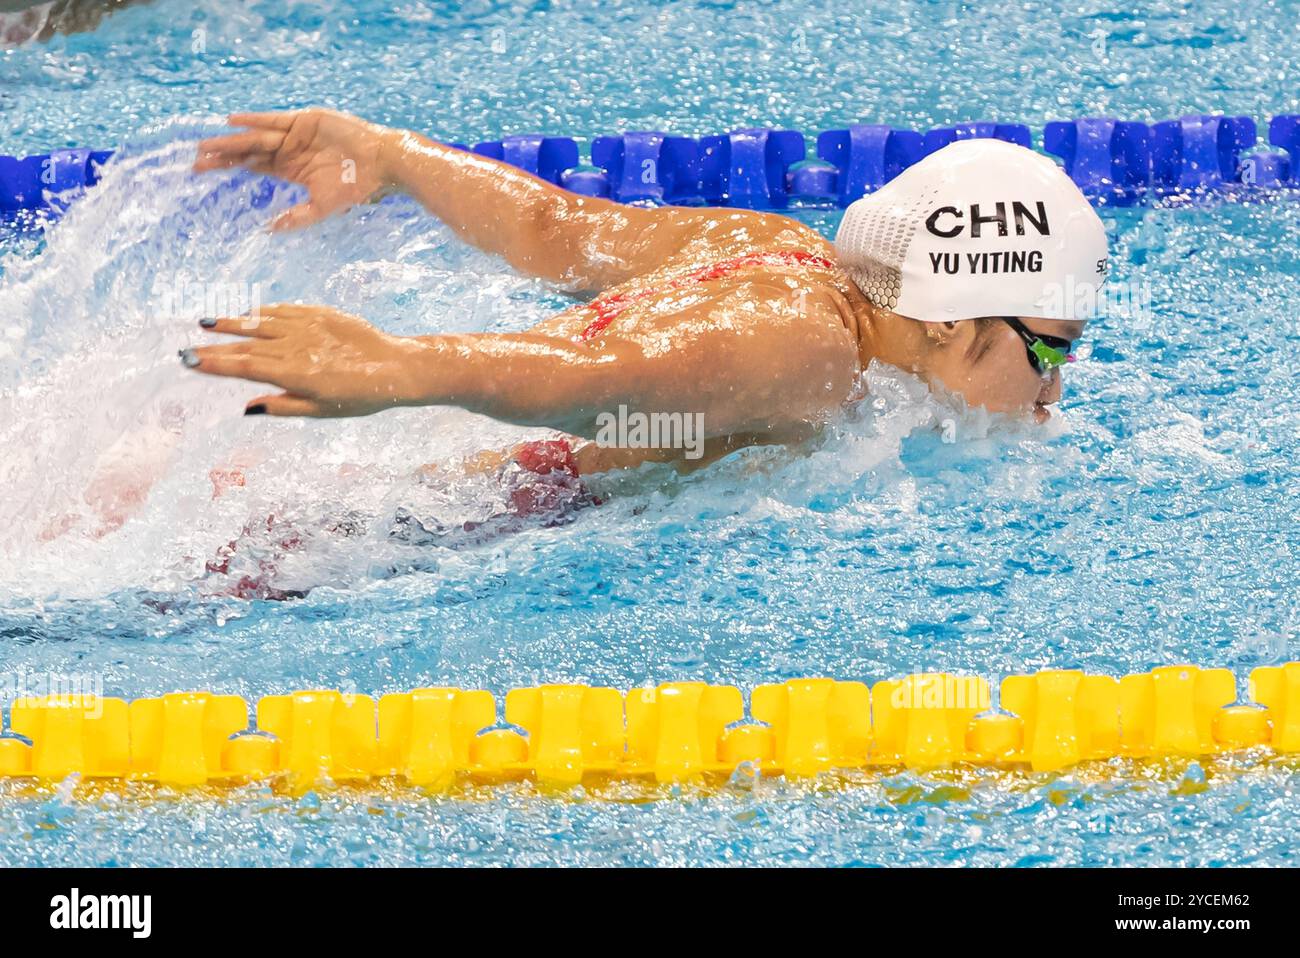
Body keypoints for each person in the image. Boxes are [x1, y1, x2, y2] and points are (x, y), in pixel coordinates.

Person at [186, 110, 1107, 489]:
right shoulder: (808, 353)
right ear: (952, 312)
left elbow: (557, 232)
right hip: (377, 506)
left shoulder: (775, 248)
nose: (1054, 391)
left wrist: (391, 155)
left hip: (328, 461)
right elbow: (598, 379)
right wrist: (396, 367)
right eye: (1051, 349)